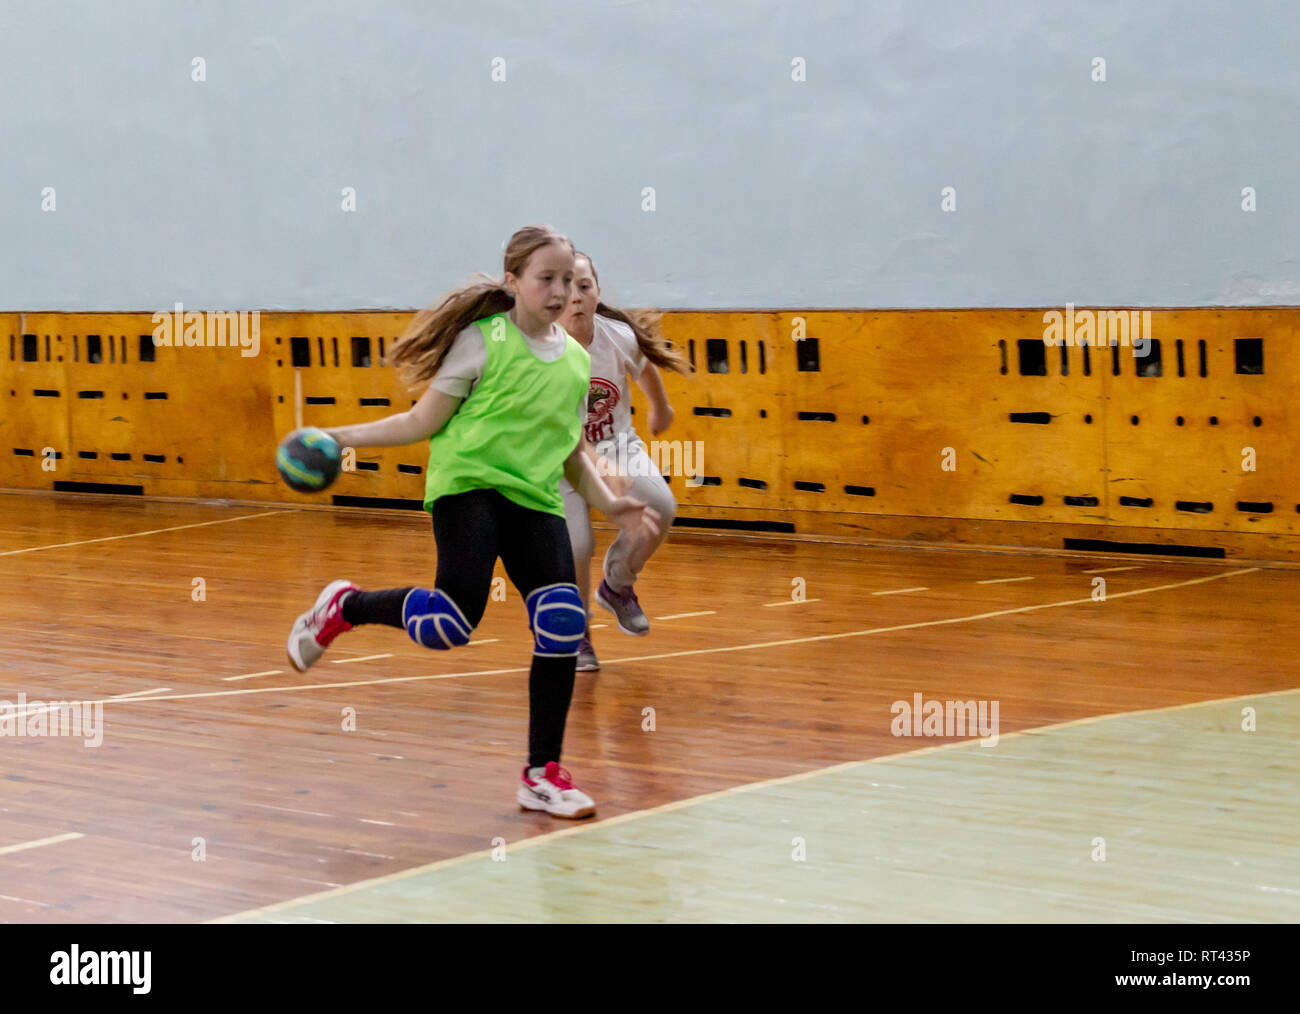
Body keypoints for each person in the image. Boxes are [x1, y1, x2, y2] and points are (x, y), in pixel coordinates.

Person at [284, 225, 660, 819]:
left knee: (562, 621)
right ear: (513, 282)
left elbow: (569, 452)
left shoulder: (575, 361)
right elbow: (419, 422)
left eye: (568, 279)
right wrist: (337, 435)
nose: (562, 291)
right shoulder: (483, 342)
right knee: (449, 625)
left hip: (534, 498)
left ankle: (542, 774)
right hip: (469, 489)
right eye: (548, 278)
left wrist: (610, 503)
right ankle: (344, 607)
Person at [558, 252, 688, 671]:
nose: (576, 297)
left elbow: (646, 369)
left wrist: (660, 410)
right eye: (566, 288)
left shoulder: (617, 337)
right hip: (558, 459)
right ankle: (576, 633)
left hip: (616, 445)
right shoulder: (541, 351)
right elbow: (565, 436)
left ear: (597, 293)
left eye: (584, 286)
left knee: (661, 507)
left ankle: (617, 586)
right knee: (576, 544)